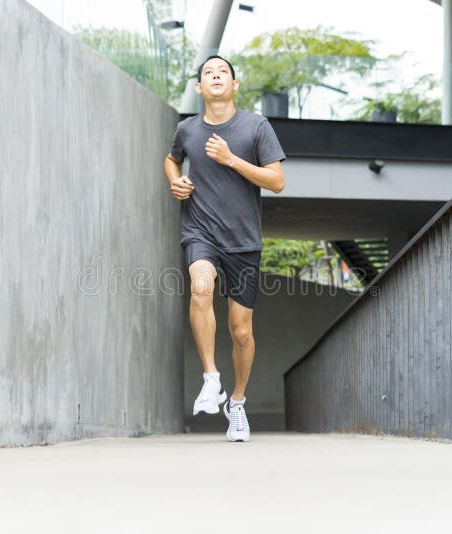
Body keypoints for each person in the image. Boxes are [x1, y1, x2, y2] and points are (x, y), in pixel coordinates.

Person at [164, 55, 286, 442]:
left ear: (235, 85)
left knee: (241, 331)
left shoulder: (256, 126)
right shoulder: (187, 129)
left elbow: (277, 181)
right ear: (199, 88)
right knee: (200, 287)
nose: (215, 76)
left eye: (223, 73)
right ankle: (211, 378)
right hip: (201, 232)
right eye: (207, 73)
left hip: (243, 241)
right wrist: (177, 180)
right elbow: (171, 160)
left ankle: (237, 401)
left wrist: (232, 160)